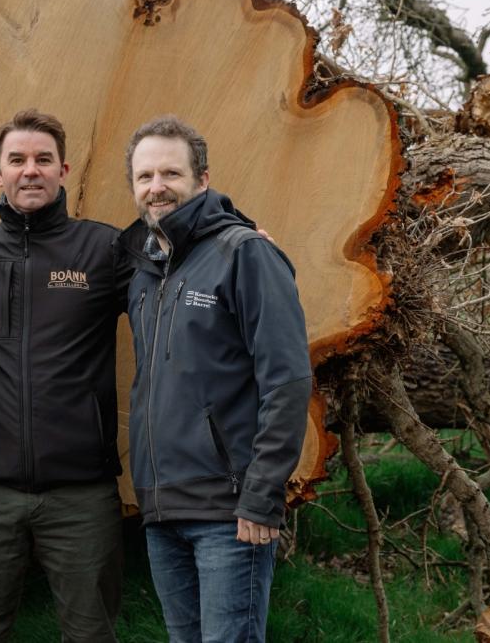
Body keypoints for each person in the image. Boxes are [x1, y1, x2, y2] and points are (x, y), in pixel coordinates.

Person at [0, 109, 129, 642]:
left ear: (64, 169)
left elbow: (180, 270)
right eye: (17, 160)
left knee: (91, 634)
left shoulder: (104, 250)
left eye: (43, 159)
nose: (30, 170)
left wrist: (236, 235)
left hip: (82, 494)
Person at [119, 115, 311, 643]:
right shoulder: (144, 271)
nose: (156, 187)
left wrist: (263, 494)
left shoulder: (244, 253)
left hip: (230, 513)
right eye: (144, 176)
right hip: (161, 508)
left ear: (202, 179)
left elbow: (288, 381)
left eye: (171, 173)